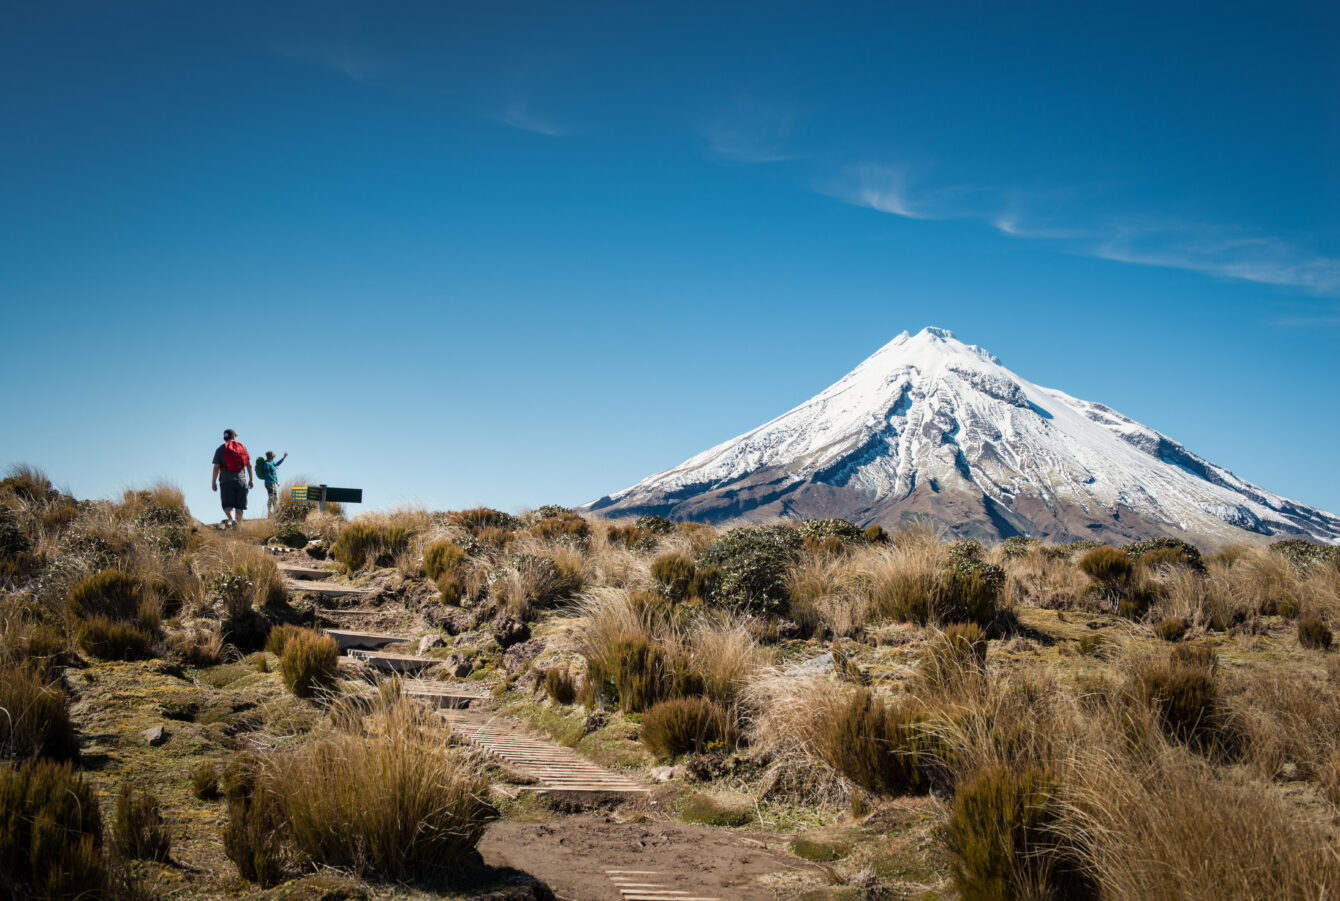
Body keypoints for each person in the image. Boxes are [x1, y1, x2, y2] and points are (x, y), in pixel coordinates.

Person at [211, 429, 252, 528]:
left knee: (227, 506)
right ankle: (239, 529)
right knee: (239, 507)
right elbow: (249, 465)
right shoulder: (243, 448)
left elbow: (216, 467)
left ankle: (232, 520)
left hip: (226, 481)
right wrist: (251, 479)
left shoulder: (220, 449)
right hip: (241, 481)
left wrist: (213, 482)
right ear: (234, 437)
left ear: (225, 438)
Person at [256, 450, 288, 518]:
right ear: (271, 456)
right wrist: (276, 481)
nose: (274, 457)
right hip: (269, 483)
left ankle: (275, 512)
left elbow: (277, 464)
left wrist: (283, 458)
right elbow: (268, 475)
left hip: (272, 483)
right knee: (271, 497)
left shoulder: (272, 462)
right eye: (273, 456)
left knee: (275, 497)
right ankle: (269, 513)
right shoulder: (266, 464)